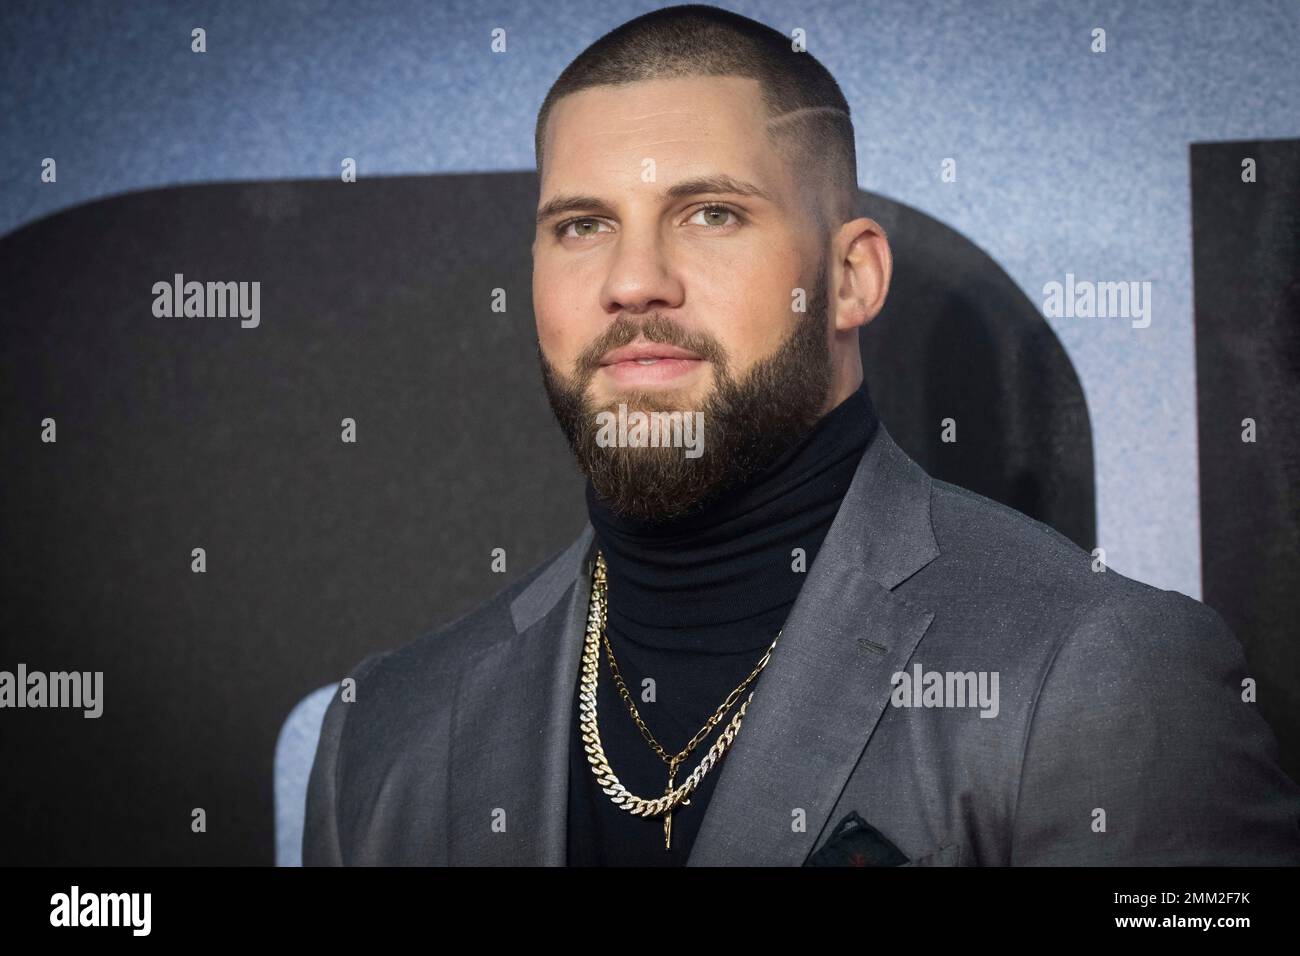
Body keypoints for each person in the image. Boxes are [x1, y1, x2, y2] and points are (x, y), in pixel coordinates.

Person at [303, 4, 1300, 866]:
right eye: (580, 224)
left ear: (852, 277)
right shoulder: (385, 730)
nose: (632, 278)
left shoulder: (1100, 677)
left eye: (708, 212)